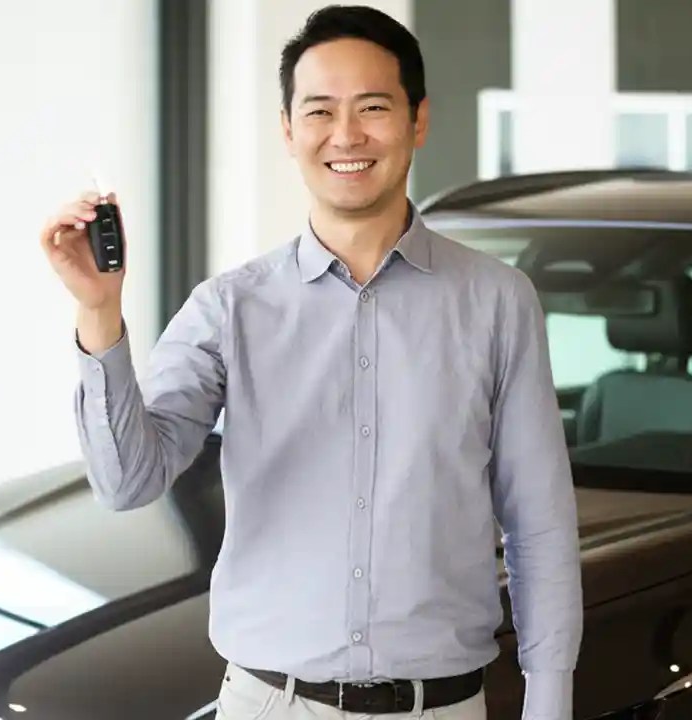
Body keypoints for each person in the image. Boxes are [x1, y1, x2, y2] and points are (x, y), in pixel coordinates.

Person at [39, 5, 581, 719]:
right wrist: (99, 313)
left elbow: (538, 523)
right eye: (320, 111)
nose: (347, 135)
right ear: (289, 132)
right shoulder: (229, 308)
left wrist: (550, 702)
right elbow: (126, 481)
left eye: (373, 108)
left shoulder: (497, 303)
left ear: (417, 121)